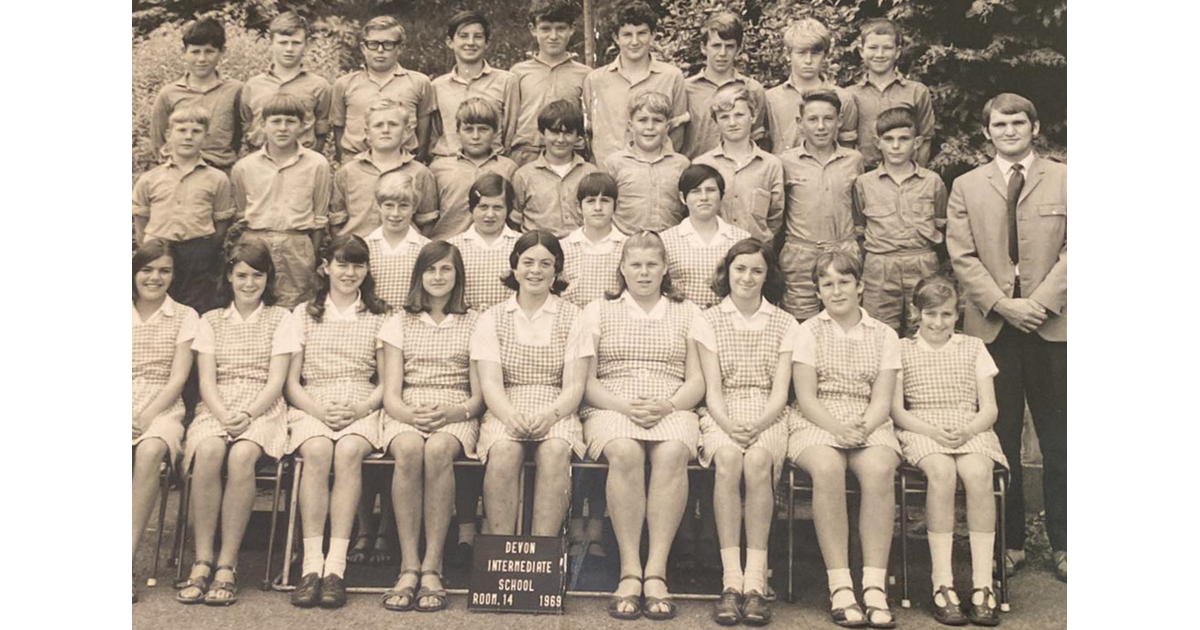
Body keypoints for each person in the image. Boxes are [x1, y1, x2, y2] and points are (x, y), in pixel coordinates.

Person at [946, 92, 1066, 583]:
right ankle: (1009, 543)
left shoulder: (1069, 177)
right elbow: (961, 254)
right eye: (1000, 124)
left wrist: (1039, 303)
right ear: (987, 132)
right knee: (1000, 438)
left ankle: (1066, 545)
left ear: (1034, 127)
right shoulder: (966, 185)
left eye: (1018, 122)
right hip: (993, 328)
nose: (1010, 130)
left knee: (1061, 438)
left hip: (1053, 326)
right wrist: (1002, 304)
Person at [579, 231, 705, 621]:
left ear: (665, 268)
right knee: (626, 451)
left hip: (672, 406)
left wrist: (667, 404)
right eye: (636, 264)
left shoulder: (688, 312)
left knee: (671, 453)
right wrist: (623, 406)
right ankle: (630, 570)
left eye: (652, 264)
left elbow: (697, 381)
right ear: (622, 268)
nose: (644, 272)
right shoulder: (598, 310)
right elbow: (586, 381)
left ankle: (657, 573)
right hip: (612, 405)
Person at [176, 237, 300, 606]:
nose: (249, 284)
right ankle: (202, 561)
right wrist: (222, 413)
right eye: (242, 275)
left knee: (243, 456)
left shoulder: (282, 318)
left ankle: (228, 563)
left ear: (268, 279)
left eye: (257, 276)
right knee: (210, 452)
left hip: (264, 406)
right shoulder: (211, 320)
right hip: (218, 405)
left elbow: (277, 381)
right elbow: (207, 381)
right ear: (229, 277)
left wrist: (247, 415)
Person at [787, 250, 901, 629]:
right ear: (818, 291)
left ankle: (873, 585)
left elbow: (883, 399)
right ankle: (840, 586)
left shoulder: (884, 334)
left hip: (868, 421)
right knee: (827, 467)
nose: (836, 291)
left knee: (881, 469)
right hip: (818, 421)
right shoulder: (807, 332)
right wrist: (838, 429)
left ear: (860, 286)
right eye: (827, 284)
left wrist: (863, 428)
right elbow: (806, 397)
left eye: (844, 282)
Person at [692, 238, 798, 626]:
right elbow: (712, 388)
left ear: (768, 275)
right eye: (740, 269)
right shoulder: (708, 318)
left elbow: (780, 391)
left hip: (768, 415)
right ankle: (730, 580)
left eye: (757, 270)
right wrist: (726, 424)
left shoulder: (785, 323)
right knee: (727, 460)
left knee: (757, 461)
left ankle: (755, 581)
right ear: (728, 271)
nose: (747, 277)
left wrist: (759, 424)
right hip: (722, 413)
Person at [891, 275, 1007, 626]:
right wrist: (932, 432)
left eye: (946, 314)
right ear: (916, 313)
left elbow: (989, 409)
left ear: (957, 314)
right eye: (930, 314)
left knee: (977, 473)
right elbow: (897, 411)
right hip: (922, 428)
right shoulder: (901, 349)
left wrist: (968, 429)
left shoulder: (973, 347)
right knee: (941, 473)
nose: (938, 322)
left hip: (968, 426)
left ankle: (983, 585)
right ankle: (942, 582)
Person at [284, 235, 390, 609]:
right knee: (315, 451)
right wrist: (317, 411)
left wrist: (361, 410)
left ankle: (336, 569)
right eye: (342, 264)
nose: (350, 272)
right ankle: (311, 566)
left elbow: (385, 381)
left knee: (347, 452)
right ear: (325, 267)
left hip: (362, 404)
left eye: (358, 264)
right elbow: (292, 382)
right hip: (313, 403)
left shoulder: (380, 314)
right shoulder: (302, 314)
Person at [379, 241, 483, 613]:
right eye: (431, 270)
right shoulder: (398, 320)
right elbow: (390, 393)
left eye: (446, 269)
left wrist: (454, 413)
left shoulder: (475, 320)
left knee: (438, 450)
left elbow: (478, 396)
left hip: (456, 412)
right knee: (408, 449)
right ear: (419, 276)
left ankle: (433, 566)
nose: (438, 277)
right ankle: (409, 565)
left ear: (458, 275)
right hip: (407, 409)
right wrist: (409, 415)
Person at [471, 231, 590, 538]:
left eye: (545, 263)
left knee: (554, 451)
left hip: (556, 407)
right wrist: (510, 417)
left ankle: (542, 552)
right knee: (504, 451)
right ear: (514, 267)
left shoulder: (574, 317)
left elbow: (575, 386)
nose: (535, 270)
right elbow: (490, 383)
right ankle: (500, 551)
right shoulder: (492, 318)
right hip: (506, 406)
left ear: (556, 271)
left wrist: (550, 416)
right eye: (528, 262)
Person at [132, 240, 199, 604]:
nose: (155, 277)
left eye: (164, 270)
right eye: (147, 269)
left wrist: (144, 416)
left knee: (151, 450)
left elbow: (177, 379)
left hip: (161, 405)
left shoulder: (186, 315)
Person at [229, 93, 333, 309]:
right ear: (263, 125)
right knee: (255, 304)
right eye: (276, 121)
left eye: (290, 121)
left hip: (297, 246)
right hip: (255, 242)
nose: (283, 128)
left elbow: (320, 218)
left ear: (302, 126)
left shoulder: (317, 165)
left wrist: (309, 256)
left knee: (297, 308)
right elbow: (240, 213)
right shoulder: (244, 168)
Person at [854, 106, 946, 338]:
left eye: (904, 139)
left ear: (917, 142)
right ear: (878, 142)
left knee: (926, 330)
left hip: (923, 261)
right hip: (880, 265)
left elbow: (941, 223)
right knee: (878, 333)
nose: (896, 146)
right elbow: (859, 228)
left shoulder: (932, 182)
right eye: (889, 139)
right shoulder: (864, 183)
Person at [133, 106, 234, 313]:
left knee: (196, 310)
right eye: (182, 131)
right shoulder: (150, 179)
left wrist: (203, 249)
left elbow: (221, 224)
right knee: (159, 307)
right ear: (169, 135)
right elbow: (141, 220)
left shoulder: (217, 179)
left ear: (205, 138)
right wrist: (153, 246)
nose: (188, 137)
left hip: (199, 256)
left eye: (196, 132)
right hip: (160, 252)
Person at [778, 90, 864, 322]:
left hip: (842, 250)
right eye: (813, 119)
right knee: (800, 324)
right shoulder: (785, 162)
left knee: (844, 320)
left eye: (828, 119)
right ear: (800, 122)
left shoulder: (854, 161)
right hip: (800, 255)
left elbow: (860, 210)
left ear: (840, 121)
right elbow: (778, 213)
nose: (821, 126)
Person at [582, 0, 688, 166]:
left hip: (655, 173)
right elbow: (589, 133)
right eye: (627, 34)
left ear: (653, 35)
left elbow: (678, 131)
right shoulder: (595, 80)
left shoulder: (672, 77)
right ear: (616, 38)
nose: (635, 41)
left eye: (642, 33)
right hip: (607, 178)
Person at [331, 15, 435, 163]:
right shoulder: (344, 84)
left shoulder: (419, 82)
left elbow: (424, 127)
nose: (380, 50)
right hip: (356, 162)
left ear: (400, 48)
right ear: (363, 48)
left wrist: (418, 160)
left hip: (403, 162)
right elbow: (338, 127)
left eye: (388, 44)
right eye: (373, 44)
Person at [330, 100, 439, 238]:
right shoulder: (348, 171)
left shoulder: (420, 172)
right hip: (357, 252)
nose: (385, 130)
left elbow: (427, 220)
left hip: (403, 252)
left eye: (393, 124)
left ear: (406, 132)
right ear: (367, 133)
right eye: (378, 125)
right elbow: (336, 219)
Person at [694, 84, 785, 244]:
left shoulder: (771, 165)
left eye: (739, 115)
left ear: (753, 116)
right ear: (715, 121)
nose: (732, 123)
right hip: (714, 252)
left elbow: (775, 216)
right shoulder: (702, 164)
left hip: (755, 253)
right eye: (724, 117)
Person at [150, 17, 243, 171]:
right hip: (179, 173)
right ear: (184, 52)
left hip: (222, 172)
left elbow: (243, 135)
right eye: (195, 52)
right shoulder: (169, 93)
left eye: (209, 52)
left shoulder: (236, 90)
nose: (202, 59)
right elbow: (158, 140)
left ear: (222, 52)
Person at [509, 0, 591, 167]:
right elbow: (508, 120)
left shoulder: (585, 74)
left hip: (568, 155)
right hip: (526, 154)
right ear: (533, 29)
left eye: (561, 28)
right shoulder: (517, 72)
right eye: (545, 28)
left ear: (571, 29)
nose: (553, 36)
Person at [430, 10, 520, 159]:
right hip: (449, 164)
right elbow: (436, 132)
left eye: (478, 37)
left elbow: (510, 131)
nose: (470, 42)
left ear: (487, 43)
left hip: (492, 163)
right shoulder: (437, 86)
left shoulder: (507, 81)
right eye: (463, 36)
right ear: (450, 42)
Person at [846, 18, 934, 170]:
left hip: (905, 174)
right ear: (862, 51)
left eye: (887, 48)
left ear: (897, 52)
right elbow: (846, 142)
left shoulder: (917, 92)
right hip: (864, 177)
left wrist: (915, 176)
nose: (879, 54)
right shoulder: (850, 95)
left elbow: (925, 139)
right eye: (873, 48)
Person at [660, 164, 751, 309]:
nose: (704, 197)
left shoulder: (741, 239)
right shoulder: (665, 240)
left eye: (711, 190)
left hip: (725, 322)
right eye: (696, 191)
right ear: (683, 198)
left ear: (721, 195)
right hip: (682, 321)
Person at [679, 12, 767, 159]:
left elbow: (758, 138)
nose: (722, 53)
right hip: (697, 175)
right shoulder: (686, 89)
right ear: (704, 47)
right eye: (716, 46)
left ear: (738, 49)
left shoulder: (753, 89)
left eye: (729, 46)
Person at [428, 98, 520, 240]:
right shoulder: (439, 169)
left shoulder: (509, 168)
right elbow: (428, 218)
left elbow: (514, 218)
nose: (475, 136)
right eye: (468, 129)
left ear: (495, 132)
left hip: (494, 247)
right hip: (447, 246)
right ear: (458, 132)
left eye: (483, 129)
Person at [240, 11, 331, 152]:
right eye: (283, 43)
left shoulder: (319, 86)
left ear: (306, 45)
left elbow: (321, 131)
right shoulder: (253, 85)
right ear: (271, 44)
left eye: (296, 43)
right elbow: (246, 127)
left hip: (302, 162)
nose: (289, 49)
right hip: (259, 162)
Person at [764, 18, 857, 156]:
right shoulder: (770, 98)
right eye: (801, 53)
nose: (808, 60)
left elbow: (847, 152)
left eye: (815, 53)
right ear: (788, 55)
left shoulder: (843, 98)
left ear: (825, 55)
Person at [603, 92, 691, 234]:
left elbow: (689, 209)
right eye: (643, 120)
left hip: (670, 243)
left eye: (657, 120)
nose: (650, 127)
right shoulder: (614, 163)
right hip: (627, 243)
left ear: (667, 127)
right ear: (631, 126)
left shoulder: (681, 164)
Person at [511, 99, 599, 237]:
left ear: (578, 137)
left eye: (568, 133)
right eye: (554, 132)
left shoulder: (590, 173)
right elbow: (515, 221)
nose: (560, 140)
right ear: (542, 134)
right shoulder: (523, 176)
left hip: (581, 250)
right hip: (539, 251)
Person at [449, 173, 522, 311]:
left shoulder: (521, 246)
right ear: (472, 208)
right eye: (483, 207)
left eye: (497, 208)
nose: (490, 215)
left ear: (508, 209)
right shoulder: (453, 247)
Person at [366, 171, 433, 308]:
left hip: (412, 323)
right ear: (378, 206)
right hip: (372, 323)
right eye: (389, 205)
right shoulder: (365, 246)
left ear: (413, 208)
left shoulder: (426, 249)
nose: (395, 214)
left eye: (403, 206)